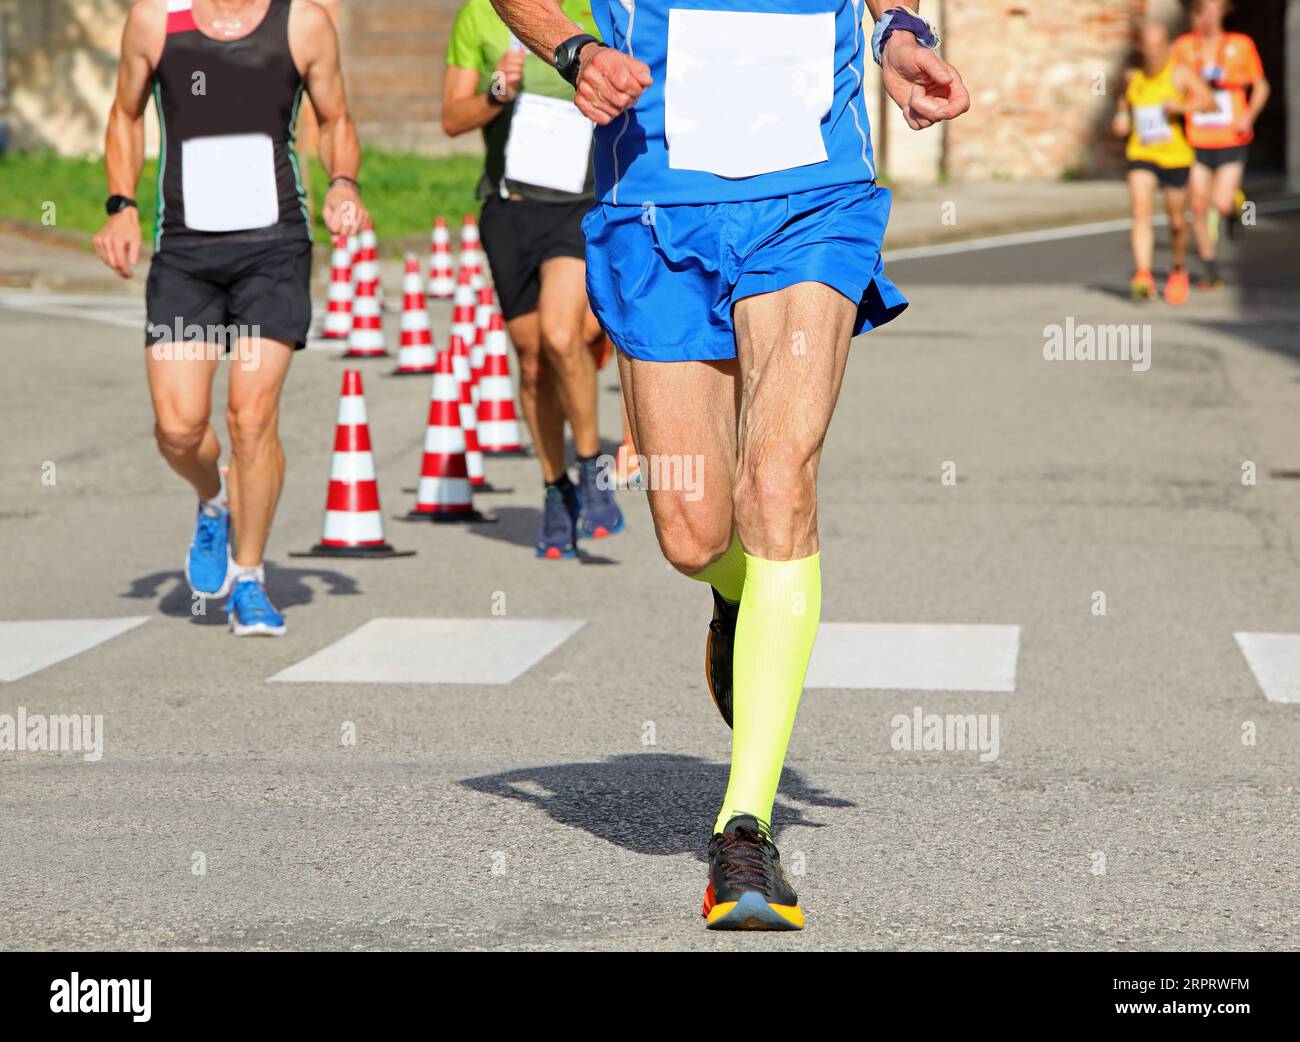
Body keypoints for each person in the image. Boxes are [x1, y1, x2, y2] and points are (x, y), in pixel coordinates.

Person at [489, 0, 968, 929]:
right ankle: (739, 598)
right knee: (693, 529)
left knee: (778, 477)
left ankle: (744, 829)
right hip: (661, 201)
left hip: (811, 199)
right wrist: (574, 49)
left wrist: (903, 32)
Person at [93, 0, 366, 636]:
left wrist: (344, 182)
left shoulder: (303, 23)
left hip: (274, 250)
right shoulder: (156, 20)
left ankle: (250, 576)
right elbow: (126, 115)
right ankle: (214, 499)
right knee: (179, 426)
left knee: (251, 416)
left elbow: (335, 118)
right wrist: (121, 203)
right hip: (186, 254)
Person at [443, 0, 624, 559]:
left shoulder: (600, 9)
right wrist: (496, 93)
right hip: (511, 206)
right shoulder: (481, 13)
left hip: (578, 203)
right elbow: (452, 118)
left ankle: (591, 465)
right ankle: (554, 487)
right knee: (530, 358)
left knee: (561, 335)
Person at [1113, 21, 1213, 303]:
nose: (1154, 53)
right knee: (1140, 211)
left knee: (1178, 221)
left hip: (1175, 156)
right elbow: (1125, 105)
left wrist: (1182, 106)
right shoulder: (1133, 77)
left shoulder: (1180, 74)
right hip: (1142, 153)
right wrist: (1121, 119)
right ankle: (1143, 275)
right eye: (1149, 47)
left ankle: (1178, 269)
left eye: (1159, 47)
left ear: (1167, 46)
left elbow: (1209, 102)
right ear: (1142, 48)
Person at [1172, 0, 1269, 289]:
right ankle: (1210, 268)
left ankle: (1235, 207)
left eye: (1216, 8)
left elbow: (1261, 85)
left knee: (1220, 202)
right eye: (1204, 9)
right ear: (1196, 14)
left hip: (1231, 136)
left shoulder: (1241, 44)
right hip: (1197, 138)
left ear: (1224, 12)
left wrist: (1249, 117)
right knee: (1198, 205)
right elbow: (1171, 83)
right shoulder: (1183, 47)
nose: (1209, 15)